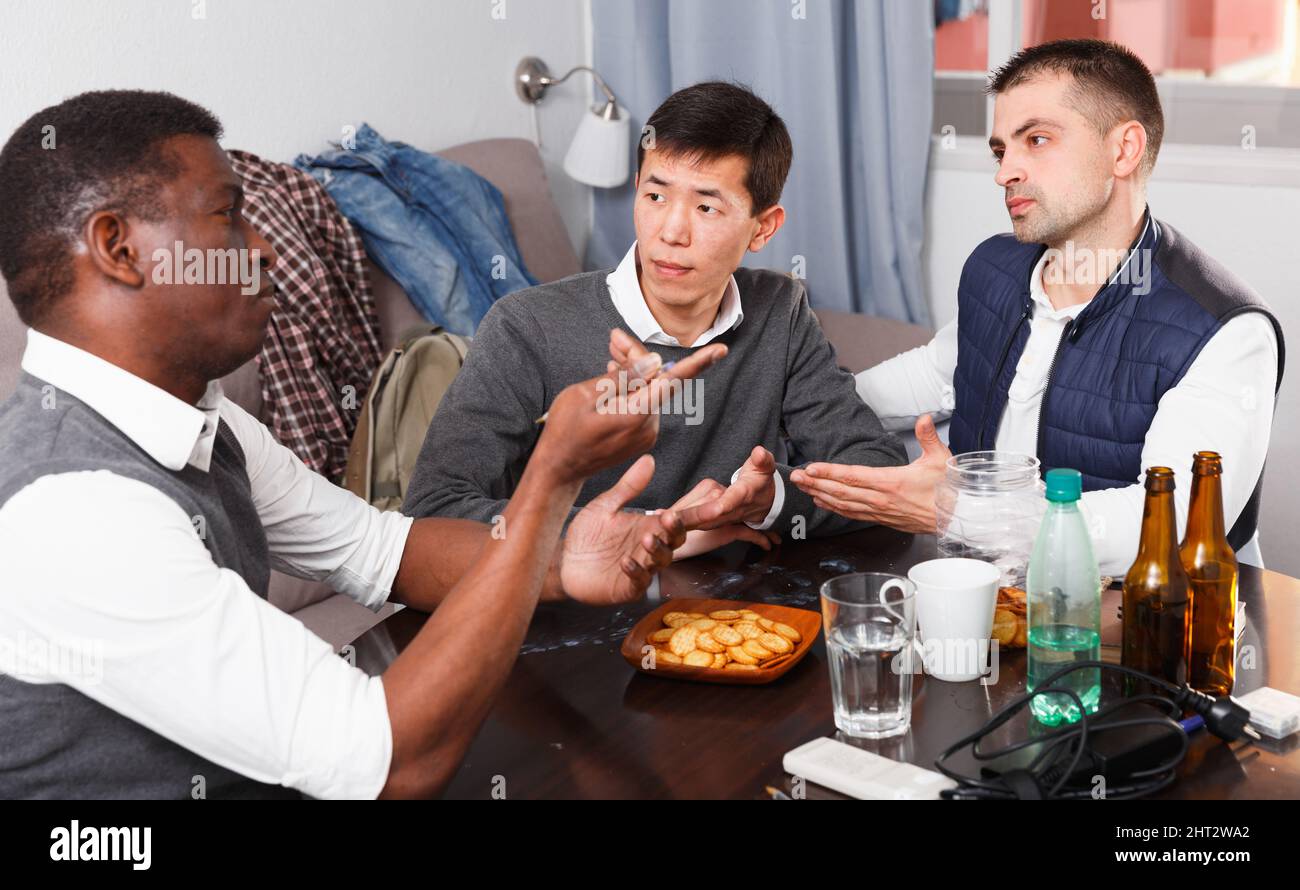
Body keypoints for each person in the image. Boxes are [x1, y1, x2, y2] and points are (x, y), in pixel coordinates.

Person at [0, 90, 721, 799]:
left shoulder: (200, 420)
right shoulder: (71, 508)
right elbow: (388, 762)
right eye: (230, 215)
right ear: (118, 248)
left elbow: (387, 553)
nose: (265, 247)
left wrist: (561, 561)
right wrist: (551, 479)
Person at [790, 39, 1283, 576]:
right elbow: (940, 372)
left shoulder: (1223, 329)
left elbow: (1173, 524)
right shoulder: (997, 266)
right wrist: (791, 414)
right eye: (1002, 151)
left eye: (1038, 139)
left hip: (1148, 628)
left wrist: (960, 514)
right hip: (997, 595)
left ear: (1124, 150)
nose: (1004, 173)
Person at [403, 81, 906, 556]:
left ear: (763, 228)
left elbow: (878, 474)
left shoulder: (780, 310)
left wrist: (767, 501)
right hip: (567, 611)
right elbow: (435, 511)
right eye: (656, 196)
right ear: (637, 188)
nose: (671, 231)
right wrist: (653, 534)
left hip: (730, 609)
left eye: (707, 207)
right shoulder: (525, 326)